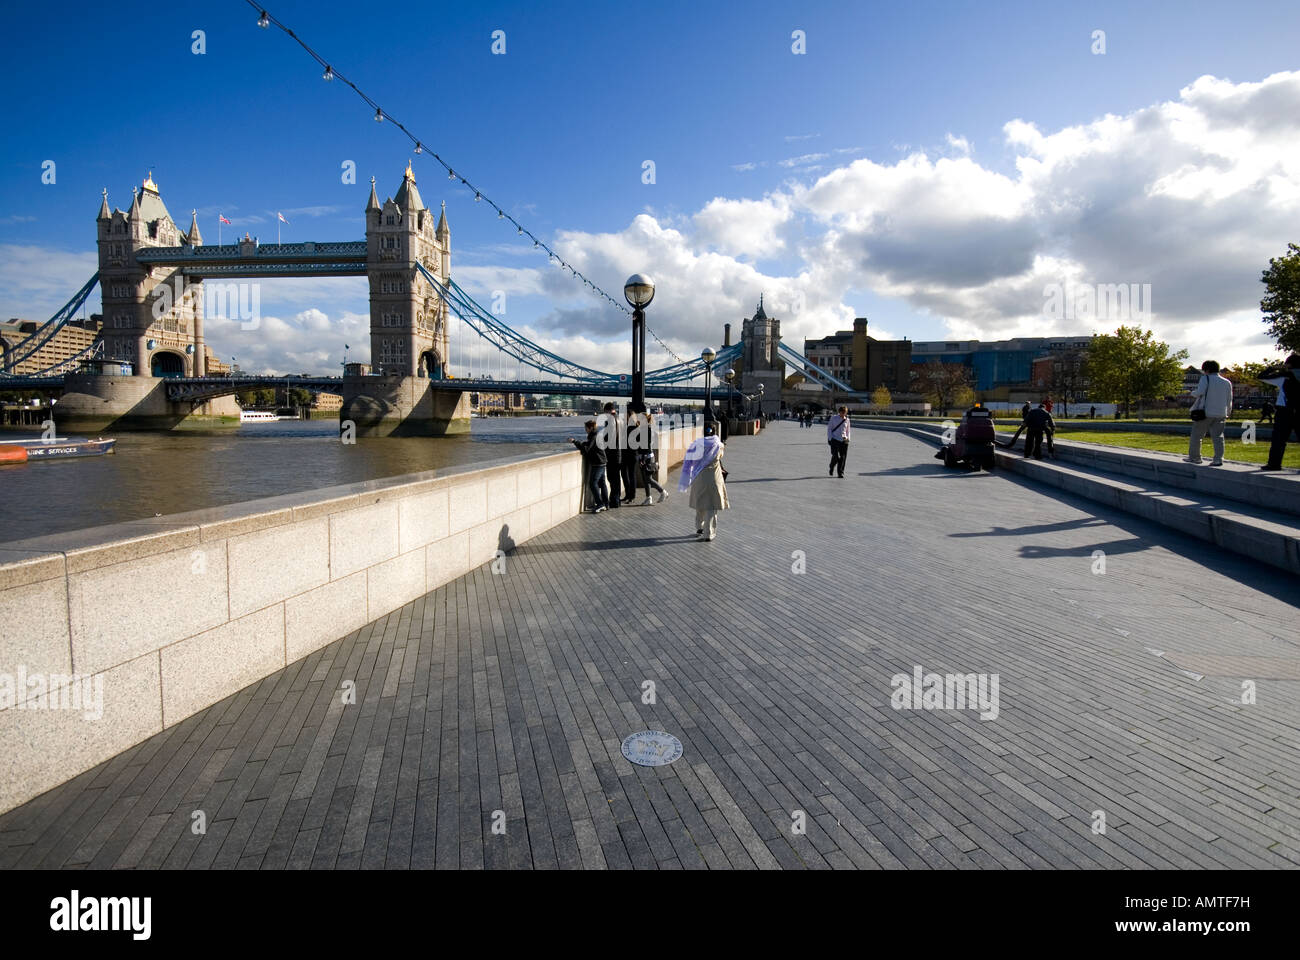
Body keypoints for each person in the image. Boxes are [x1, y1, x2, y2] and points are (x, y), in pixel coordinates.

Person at [679, 425, 729, 541]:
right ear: (715, 432)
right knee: (711, 507)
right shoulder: (719, 445)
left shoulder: (696, 445)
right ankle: (708, 533)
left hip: (698, 478)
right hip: (713, 479)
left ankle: (699, 526)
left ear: (703, 432)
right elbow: (720, 456)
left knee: (700, 503)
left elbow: (689, 460)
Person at [1185, 360, 1233, 466]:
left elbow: (1200, 392)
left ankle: (1195, 457)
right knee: (1218, 437)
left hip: (1205, 413)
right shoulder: (1227, 382)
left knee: (1197, 436)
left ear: (1207, 370)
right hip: (1221, 413)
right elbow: (1229, 399)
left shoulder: (1205, 378)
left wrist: (1192, 392)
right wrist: (1228, 411)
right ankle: (1218, 459)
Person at [1262, 354, 1300, 471]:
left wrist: (1274, 368)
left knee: (1279, 439)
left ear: (1288, 364)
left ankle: (1274, 464)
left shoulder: (1285, 376)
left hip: (1285, 410)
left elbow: (1262, 376)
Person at [571, 420, 608, 513]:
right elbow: (589, 445)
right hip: (602, 461)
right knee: (602, 483)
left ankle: (600, 504)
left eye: (586, 428)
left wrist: (575, 442)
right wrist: (583, 443)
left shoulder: (594, 436)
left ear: (591, 428)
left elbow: (586, 449)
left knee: (592, 483)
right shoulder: (596, 435)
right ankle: (606, 504)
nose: (585, 430)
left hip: (598, 463)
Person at [601, 402, 624, 507]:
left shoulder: (610, 420)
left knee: (611, 478)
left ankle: (614, 500)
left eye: (605, 412)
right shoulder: (619, 419)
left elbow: (607, 437)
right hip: (619, 452)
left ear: (608, 410)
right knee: (617, 478)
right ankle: (617, 500)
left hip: (611, 453)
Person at [826, 405, 851, 477]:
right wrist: (830, 438)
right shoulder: (833, 418)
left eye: (845, 412)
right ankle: (831, 466)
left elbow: (848, 431)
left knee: (843, 457)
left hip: (844, 440)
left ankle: (840, 472)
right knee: (836, 456)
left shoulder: (847, 420)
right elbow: (829, 429)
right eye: (842, 412)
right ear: (839, 412)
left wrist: (848, 439)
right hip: (834, 439)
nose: (843, 414)